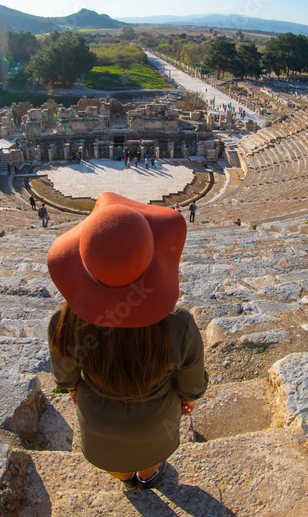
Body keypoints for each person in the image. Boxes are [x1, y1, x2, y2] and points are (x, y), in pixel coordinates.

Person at [46, 192, 208, 491]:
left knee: (115, 464)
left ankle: (128, 482)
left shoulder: (64, 322)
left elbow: (64, 372)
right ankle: (148, 477)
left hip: (100, 427)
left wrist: (71, 388)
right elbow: (191, 381)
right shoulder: (179, 325)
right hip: (156, 424)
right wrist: (189, 397)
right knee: (151, 457)